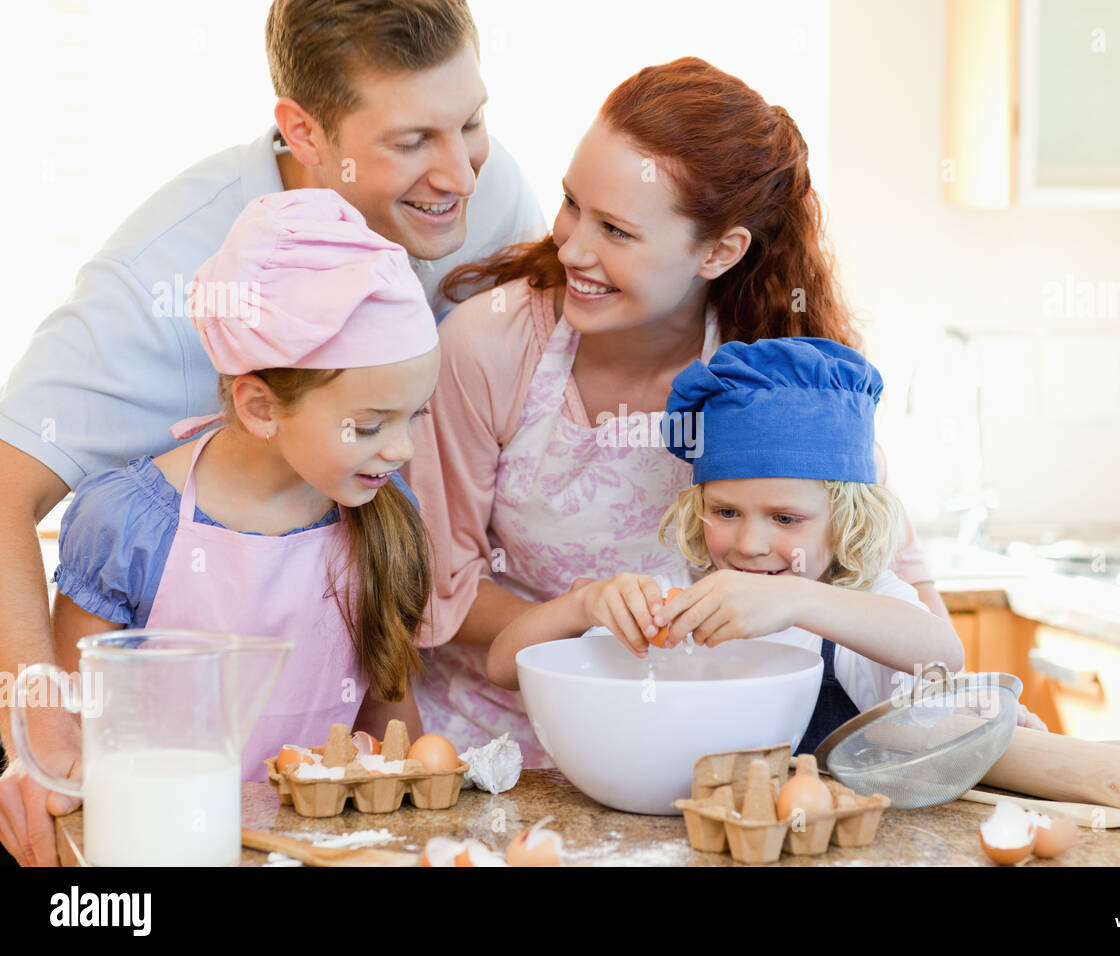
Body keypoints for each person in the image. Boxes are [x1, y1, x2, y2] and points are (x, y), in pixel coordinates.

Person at [0, 0, 541, 865]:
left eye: (472, 123)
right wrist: (41, 727)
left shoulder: (477, 177)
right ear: (303, 131)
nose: (462, 176)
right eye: (411, 143)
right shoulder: (158, 283)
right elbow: (2, 486)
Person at [406, 57, 958, 767]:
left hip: (703, 745)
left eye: (617, 230)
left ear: (720, 251)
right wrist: (597, 621)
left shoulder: (777, 376)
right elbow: (439, 592)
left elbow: (912, 606)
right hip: (498, 746)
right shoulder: (490, 345)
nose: (572, 247)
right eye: (573, 203)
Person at [51, 189, 439, 781]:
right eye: (368, 425)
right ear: (260, 407)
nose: (401, 450)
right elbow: (73, 738)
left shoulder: (384, 515)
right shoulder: (126, 525)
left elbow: (391, 725)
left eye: (416, 416)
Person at [485, 337, 962, 754]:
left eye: (785, 518)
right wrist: (582, 605)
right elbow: (503, 668)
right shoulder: (678, 599)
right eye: (726, 512)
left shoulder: (864, 607)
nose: (750, 544)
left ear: (847, 520)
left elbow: (944, 653)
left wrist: (795, 600)